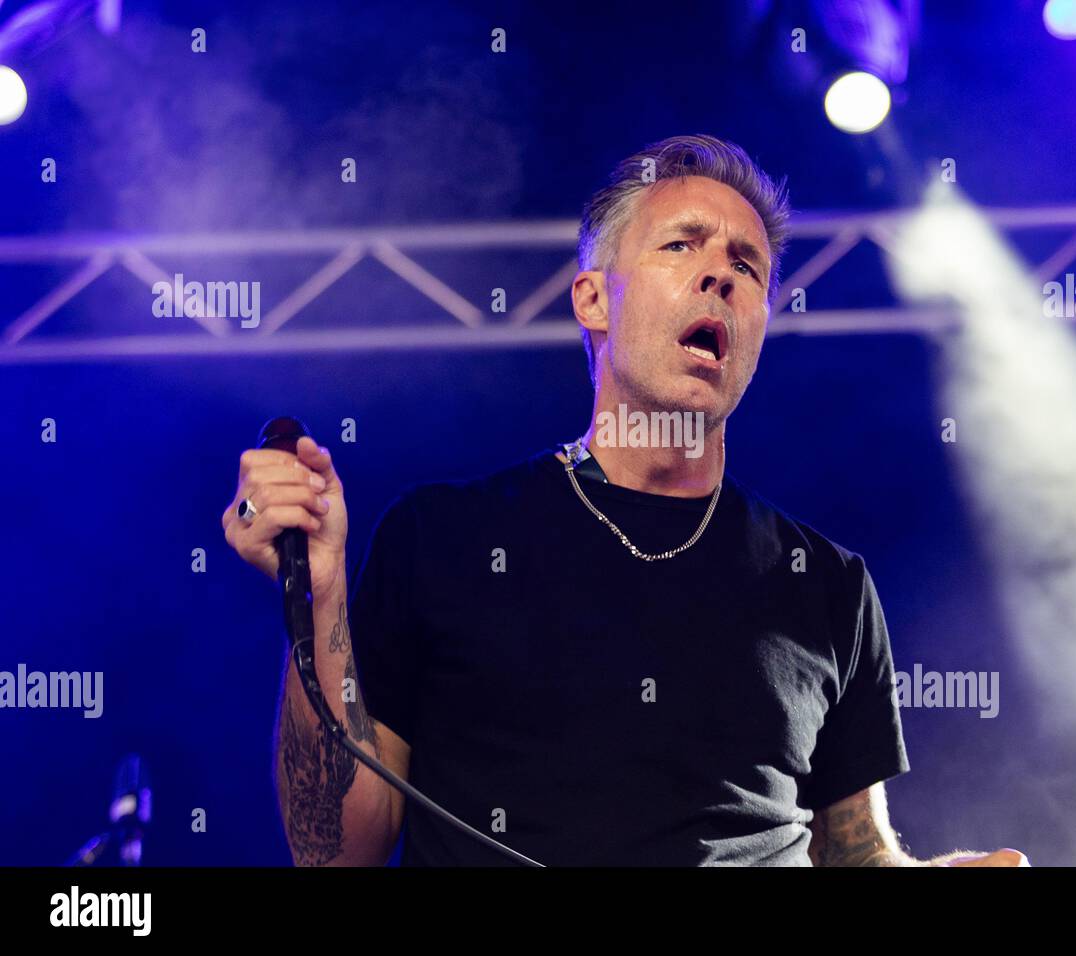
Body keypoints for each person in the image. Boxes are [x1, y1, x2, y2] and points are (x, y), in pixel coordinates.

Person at [222, 134, 1029, 868]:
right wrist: (321, 591)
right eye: (682, 245)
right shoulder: (443, 537)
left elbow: (858, 855)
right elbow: (334, 853)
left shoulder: (827, 585)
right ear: (593, 301)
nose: (720, 272)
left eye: (747, 266)